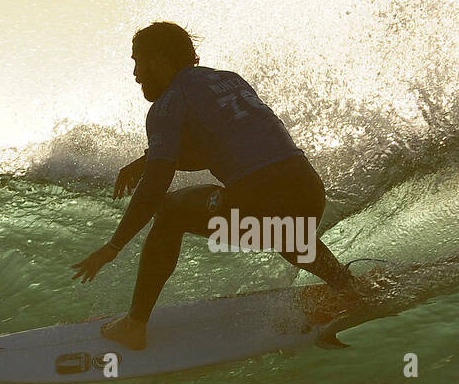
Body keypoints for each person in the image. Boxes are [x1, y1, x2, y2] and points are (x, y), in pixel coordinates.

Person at [70, 21, 359, 350]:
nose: (136, 74)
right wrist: (148, 159)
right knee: (283, 230)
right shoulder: (227, 81)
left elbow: (154, 188)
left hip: (262, 201)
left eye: (138, 61)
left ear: (159, 59)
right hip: (307, 189)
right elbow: (219, 144)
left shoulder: (168, 103)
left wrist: (113, 247)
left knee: (170, 210)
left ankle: (134, 325)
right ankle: (344, 283)